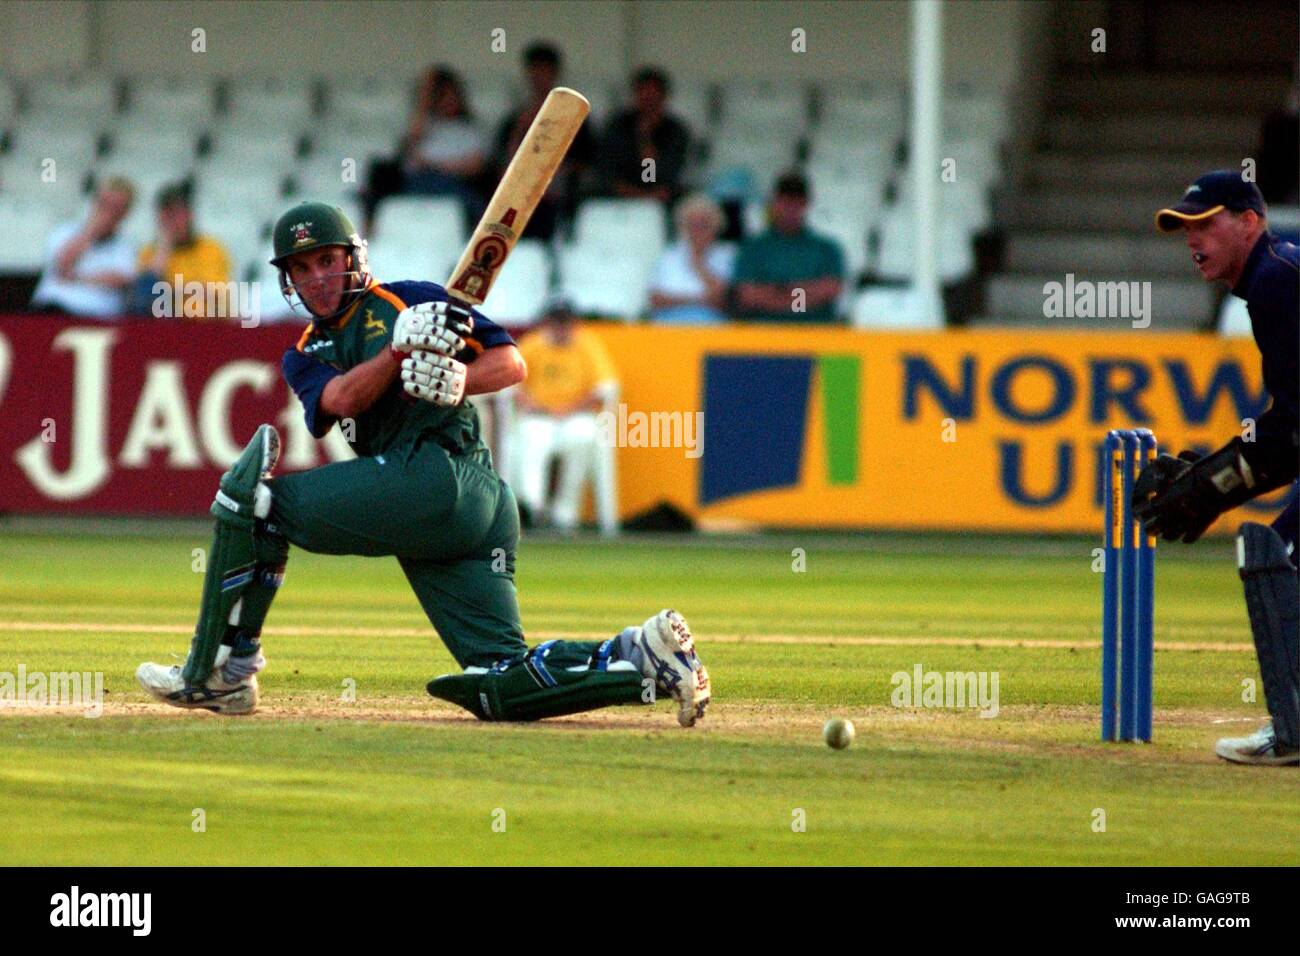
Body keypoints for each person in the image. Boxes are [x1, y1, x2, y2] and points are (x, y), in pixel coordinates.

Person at [135, 201, 709, 728]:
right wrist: (399, 353)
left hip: (440, 477)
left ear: (354, 258)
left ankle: (219, 674)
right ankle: (643, 657)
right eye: (301, 269)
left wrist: (460, 380)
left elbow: (510, 365)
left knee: (252, 505)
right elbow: (342, 401)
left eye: (326, 261)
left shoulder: (410, 296)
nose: (316, 279)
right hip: (458, 508)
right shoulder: (305, 351)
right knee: (497, 683)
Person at [1137, 170, 1298, 766]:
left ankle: (1295, 729)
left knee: (1278, 558)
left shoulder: (1280, 282)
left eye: (1205, 223)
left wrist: (1214, 486)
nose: (1191, 237)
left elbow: (1292, 432)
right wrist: (1219, 482)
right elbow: (1290, 425)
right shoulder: (1272, 280)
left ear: (1249, 221)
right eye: (1185, 227)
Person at [513, 299, 619, 534]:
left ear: (574, 322)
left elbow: (603, 389)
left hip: (576, 415)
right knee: (533, 439)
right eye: (556, 321)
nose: (561, 326)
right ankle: (533, 509)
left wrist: (568, 409)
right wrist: (538, 406)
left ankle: (565, 512)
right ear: (547, 322)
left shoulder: (588, 346)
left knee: (582, 437)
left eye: (565, 321)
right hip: (539, 415)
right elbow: (514, 386)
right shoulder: (532, 345)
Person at [493, 43, 597, 240]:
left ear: (555, 73)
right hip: (519, 191)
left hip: (558, 189)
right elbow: (503, 158)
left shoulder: (576, 117)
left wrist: (551, 174)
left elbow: (586, 160)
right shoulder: (515, 118)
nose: (539, 77)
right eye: (535, 71)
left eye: (544, 71)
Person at [732, 172, 845, 324]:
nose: (789, 209)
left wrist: (778, 294)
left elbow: (829, 291)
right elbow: (747, 295)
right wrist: (803, 293)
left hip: (815, 332)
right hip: (762, 333)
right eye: (784, 201)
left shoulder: (826, 248)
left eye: (796, 202)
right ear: (774, 202)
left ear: (805, 204)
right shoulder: (752, 248)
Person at [30, 177, 137, 318]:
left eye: (115, 208)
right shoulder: (64, 231)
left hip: (97, 317)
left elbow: (120, 280)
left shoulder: (126, 246)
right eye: (104, 204)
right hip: (51, 310)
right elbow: (62, 264)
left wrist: (76, 277)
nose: (108, 213)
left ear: (125, 213)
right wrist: (90, 232)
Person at [133, 181, 234, 318]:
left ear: (189, 215)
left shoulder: (210, 248)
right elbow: (145, 294)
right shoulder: (150, 253)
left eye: (176, 214)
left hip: (207, 324)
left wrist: (168, 291)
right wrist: (164, 247)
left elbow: (215, 292)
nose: (172, 221)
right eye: (167, 216)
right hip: (167, 324)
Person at [401, 66, 488, 221]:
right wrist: (425, 97)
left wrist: (436, 165)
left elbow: (476, 166)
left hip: (454, 184)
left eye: (451, 96)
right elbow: (411, 158)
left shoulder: (468, 130)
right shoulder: (425, 125)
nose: (448, 101)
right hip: (420, 183)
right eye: (442, 96)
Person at [602, 66, 691, 205]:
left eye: (654, 96)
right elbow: (608, 169)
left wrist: (646, 140)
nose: (649, 102)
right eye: (644, 94)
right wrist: (636, 193)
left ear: (663, 97)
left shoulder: (675, 131)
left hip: (659, 194)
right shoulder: (618, 125)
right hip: (620, 193)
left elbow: (655, 176)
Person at [648, 193, 734, 325]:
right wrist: (700, 300)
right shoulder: (669, 256)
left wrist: (698, 265)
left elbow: (723, 301)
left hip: (711, 326)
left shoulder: (727, 254)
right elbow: (656, 300)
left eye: (704, 225)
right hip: (667, 326)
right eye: (692, 225)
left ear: (716, 226)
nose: (697, 231)